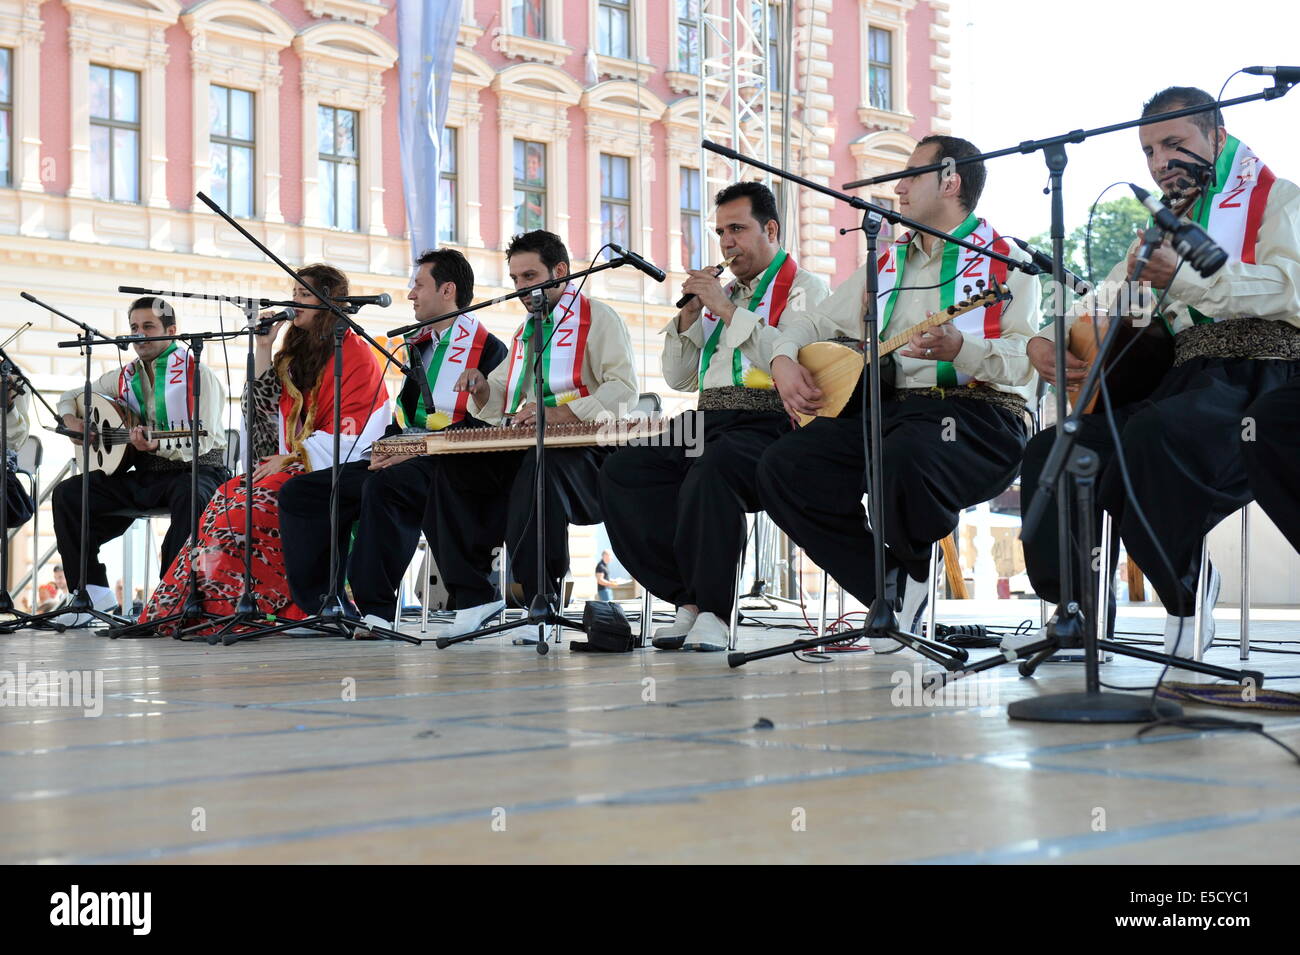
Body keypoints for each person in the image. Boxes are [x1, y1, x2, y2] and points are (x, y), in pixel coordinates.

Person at [1018, 87, 1300, 660]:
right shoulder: (1158, 230)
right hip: (1185, 380)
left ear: (1217, 138)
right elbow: (1108, 305)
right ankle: (1074, 612)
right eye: (1148, 151)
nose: (1160, 162)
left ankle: (1186, 587)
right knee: (1057, 447)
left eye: (1175, 143)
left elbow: (1292, 288)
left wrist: (1189, 278)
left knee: (1150, 436)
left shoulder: (1278, 199)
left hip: (1265, 377)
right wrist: (1045, 341)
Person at [756, 135, 1040, 651]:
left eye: (911, 174)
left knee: (904, 452)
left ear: (950, 181)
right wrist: (782, 358)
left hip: (983, 418)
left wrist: (964, 349)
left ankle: (910, 574)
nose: (899, 186)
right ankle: (886, 586)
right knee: (783, 466)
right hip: (891, 414)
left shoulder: (1010, 264)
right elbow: (812, 320)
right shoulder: (884, 262)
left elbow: (1028, 366)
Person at [599, 181, 830, 647]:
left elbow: (792, 361)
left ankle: (716, 610)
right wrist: (687, 320)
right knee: (625, 468)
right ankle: (688, 598)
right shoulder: (724, 296)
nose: (726, 243)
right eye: (721, 231)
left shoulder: (806, 289)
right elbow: (679, 378)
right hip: (709, 419)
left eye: (737, 229)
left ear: (771, 229)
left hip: (773, 419)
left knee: (712, 469)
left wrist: (726, 311)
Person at [138, 264, 389, 635]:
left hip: (331, 467)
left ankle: (289, 608)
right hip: (294, 465)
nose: (294, 301)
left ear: (328, 303)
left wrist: (292, 458)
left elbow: (357, 427)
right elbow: (260, 412)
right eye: (295, 292)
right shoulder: (295, 354)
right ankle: (204, 606)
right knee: (227, 496)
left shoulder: (356, 355)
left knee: (243, 512)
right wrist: (263, 345)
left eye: (303, 294)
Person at [277, 249, 507, 631]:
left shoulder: (489, 350)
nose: (411, 294)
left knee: (386, 487)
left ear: (447, 290)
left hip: (457, 464)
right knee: (304, 493)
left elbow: (486, 427)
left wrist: (410, 451)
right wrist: (387, 446)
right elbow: (404, 418)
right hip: (409, 457)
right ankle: (325, 606)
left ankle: (378, 610)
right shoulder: (420, 347)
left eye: (419, 285)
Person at [427, 229, 639, 638]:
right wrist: (482, 386)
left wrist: (563, 413)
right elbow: (502, 392)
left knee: (540, 466)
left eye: (529, 276)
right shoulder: (525, 331)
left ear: (560, 272)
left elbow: (623, 391)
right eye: (515, 280)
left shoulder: (600, 318)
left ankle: (539, 598)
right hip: (532, 451)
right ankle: (475, 596)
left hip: (591, 456)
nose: (521, 288)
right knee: (451, 467)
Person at [52, 296, 228, 625]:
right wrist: (71, 420)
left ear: (171, 331)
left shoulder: (196, 373)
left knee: (191, 496)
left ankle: (171, 601)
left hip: (198, 469)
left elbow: (210, 440)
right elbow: (70, 397)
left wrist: (156, 448)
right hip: (146, 473)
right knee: (69, 494)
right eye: (134, 327)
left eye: (148, 327)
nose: (139, 334)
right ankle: (91, 593)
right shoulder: (124, 376)